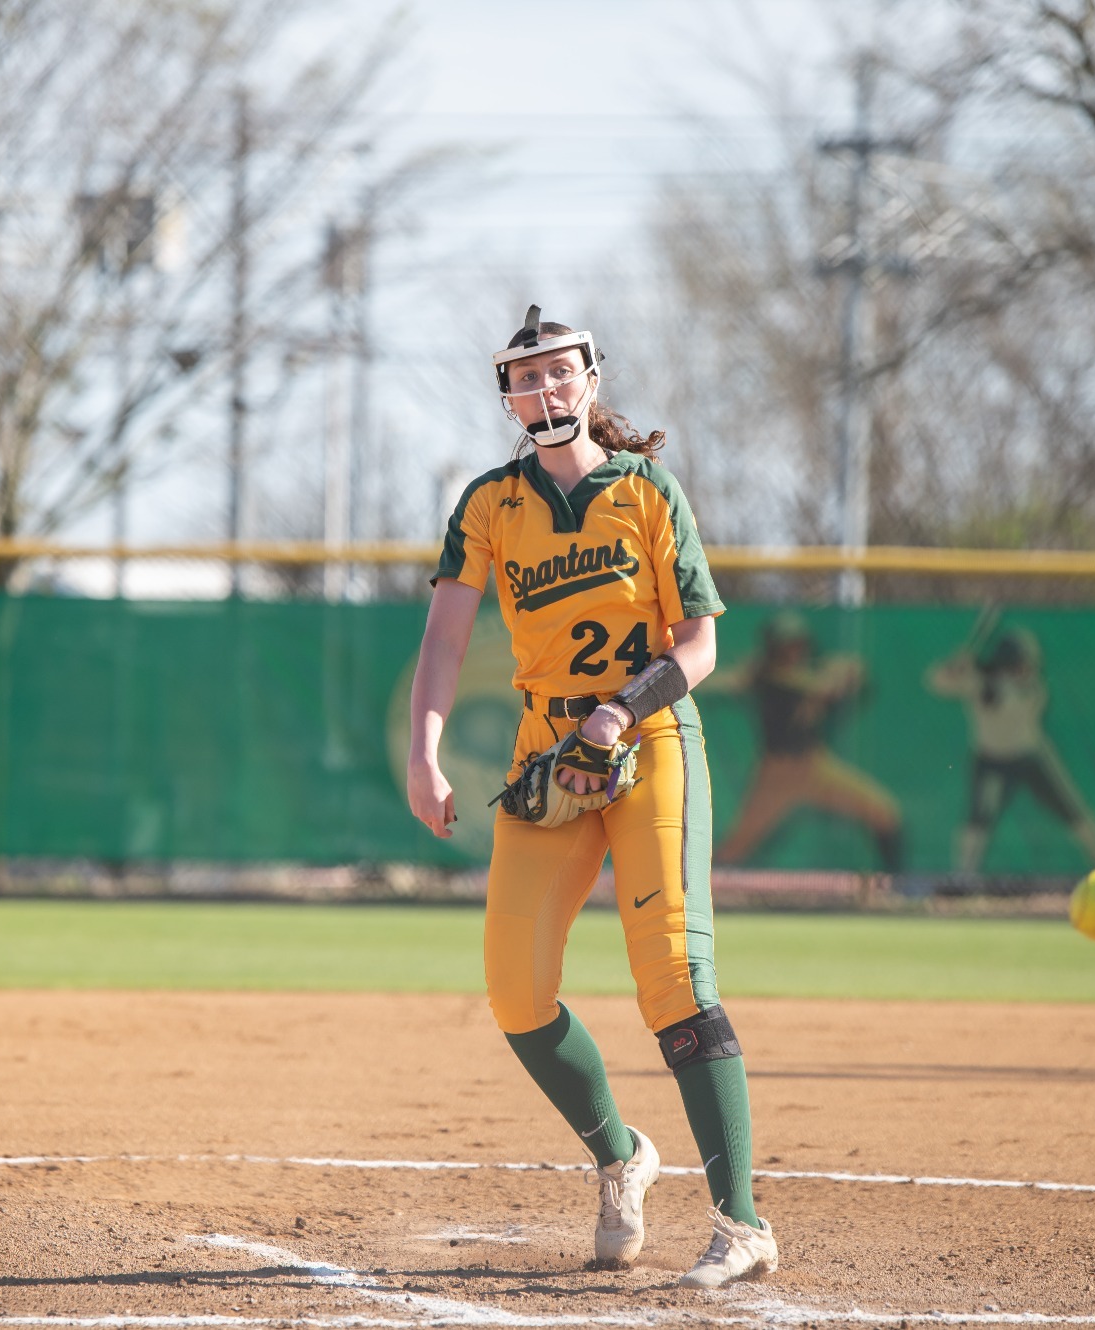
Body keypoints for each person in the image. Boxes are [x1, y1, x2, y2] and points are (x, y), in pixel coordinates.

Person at [405, 307, 778, 1288]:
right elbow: (444, 638)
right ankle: (621, 1155)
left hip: (649, 738)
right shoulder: (490, 503)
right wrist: (424, 755)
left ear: (591, 379)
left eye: (560, 371)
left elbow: (699, 645)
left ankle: (741, 1223)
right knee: (514, 990)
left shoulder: (647, 489)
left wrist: (619, 711)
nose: (545, 389)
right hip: (547, 748)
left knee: (673, 975)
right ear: (507, 398)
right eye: (525, 377)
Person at [713, 612, 903, 871]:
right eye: (785, 646)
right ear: (772, 649)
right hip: (777, 774)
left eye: (797, 644)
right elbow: (727, 681)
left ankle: (893, 886)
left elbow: (854, 669)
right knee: (733, 850)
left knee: (885, 815)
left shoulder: (813, 673)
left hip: (814, 765)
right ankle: (697, 890)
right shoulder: (760, 677)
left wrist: (831, 676)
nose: (792, 652)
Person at [924, 622, 1095, 875]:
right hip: (991, 760)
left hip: (1031, 756)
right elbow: (935, 682)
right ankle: (964, 875)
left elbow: (1009, 700)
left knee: (1072, 809)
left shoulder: (1033, 687)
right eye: (1020, 664)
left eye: (1028, 664)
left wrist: (975, 677)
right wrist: (954, 667)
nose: (1026, 669)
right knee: (979, 819)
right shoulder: (981, 681)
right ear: (1006, 664)